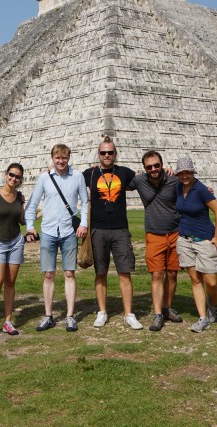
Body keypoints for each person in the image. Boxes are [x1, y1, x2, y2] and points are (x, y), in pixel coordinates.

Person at [24, 144, 89, 332]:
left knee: (69, 273)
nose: (61, 161)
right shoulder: (44, 178)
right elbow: (33, 203)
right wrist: (30, 227)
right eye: (57, 158)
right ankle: (48, 315)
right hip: (48, 231)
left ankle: (69, 316)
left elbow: (85, 202)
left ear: (69, 158)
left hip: (69, 231)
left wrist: (83, 223)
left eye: (64, 158)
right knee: (48, 274)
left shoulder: (77, 177)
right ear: (52, 158)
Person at [82, 137, 142, 330]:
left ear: (115, 154)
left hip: (120, 230)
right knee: (101, 273)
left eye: (110, 152)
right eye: (103, 153)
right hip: (98, 229)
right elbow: (66, 181)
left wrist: (169, 173)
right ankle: (102, 312)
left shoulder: (124, 172)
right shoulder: (89, 174)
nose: (106, 155)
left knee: (124, 272)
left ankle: (129, 314)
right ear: (98, 155)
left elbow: (149, 179)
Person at [130, 150, 184, 331]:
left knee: (173, 273)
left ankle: (167, 308)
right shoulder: (139, 181)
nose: (153, 169)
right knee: (156, 274)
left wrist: (207, 191)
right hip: (154, 234)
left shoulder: (174, 180)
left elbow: (191, 189)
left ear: (162, 165)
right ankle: (158, 313)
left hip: (176, 233)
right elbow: (116, 180)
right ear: (144, 169)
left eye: (156, 165)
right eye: (149, 167)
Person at [173, 156, 217, 333]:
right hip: (184, 240)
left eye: (187, 172)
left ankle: (214, 304)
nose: (184, 176)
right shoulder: (178, 187)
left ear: (193, 172)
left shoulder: (201, 189)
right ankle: (203, 317)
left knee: (210, 282)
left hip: (204, 239)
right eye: (181, 173)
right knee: (195, 280)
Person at [0, 163, 27, 339]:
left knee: (10, 282)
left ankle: (8, 321)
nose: (14, 179)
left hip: (16, 241)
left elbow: (22, 221)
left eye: (17, 177)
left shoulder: (19, 196)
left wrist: (25, 206)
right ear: (5, 174)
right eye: (11, 175)